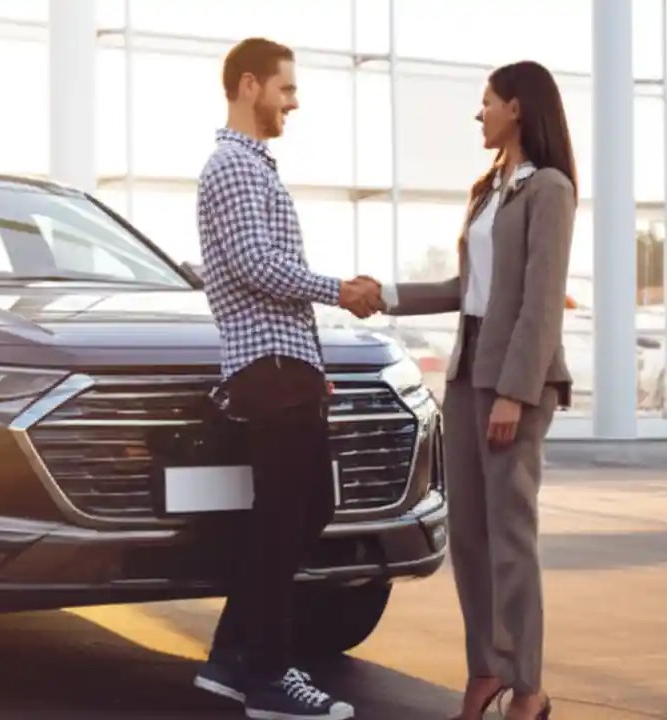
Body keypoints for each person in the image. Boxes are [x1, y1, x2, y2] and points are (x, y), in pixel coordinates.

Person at [362, 60, 577, 720]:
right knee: (470, 537)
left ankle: (528, 685)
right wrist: (385, 293)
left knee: (511, 537)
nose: (478, 114)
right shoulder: (487, 191)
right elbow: (468, 290)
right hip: (465, 373)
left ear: (517, 107)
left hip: (514, 376)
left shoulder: (549, 189)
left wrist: (515, 392)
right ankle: (485, 669)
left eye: (487, 102)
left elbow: (541, 300)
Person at [192, 36, 381, 720]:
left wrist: (311, 365)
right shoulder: (234, 166)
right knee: (281, 521)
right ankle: (269, 677)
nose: (293, 103)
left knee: (303, 511)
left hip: (285, 365)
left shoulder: (251, 166)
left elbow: (264, 271)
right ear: (250, 85)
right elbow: (255, 265)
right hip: (268, 368)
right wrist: (340, 290)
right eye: (287, 89)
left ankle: (230, 658)